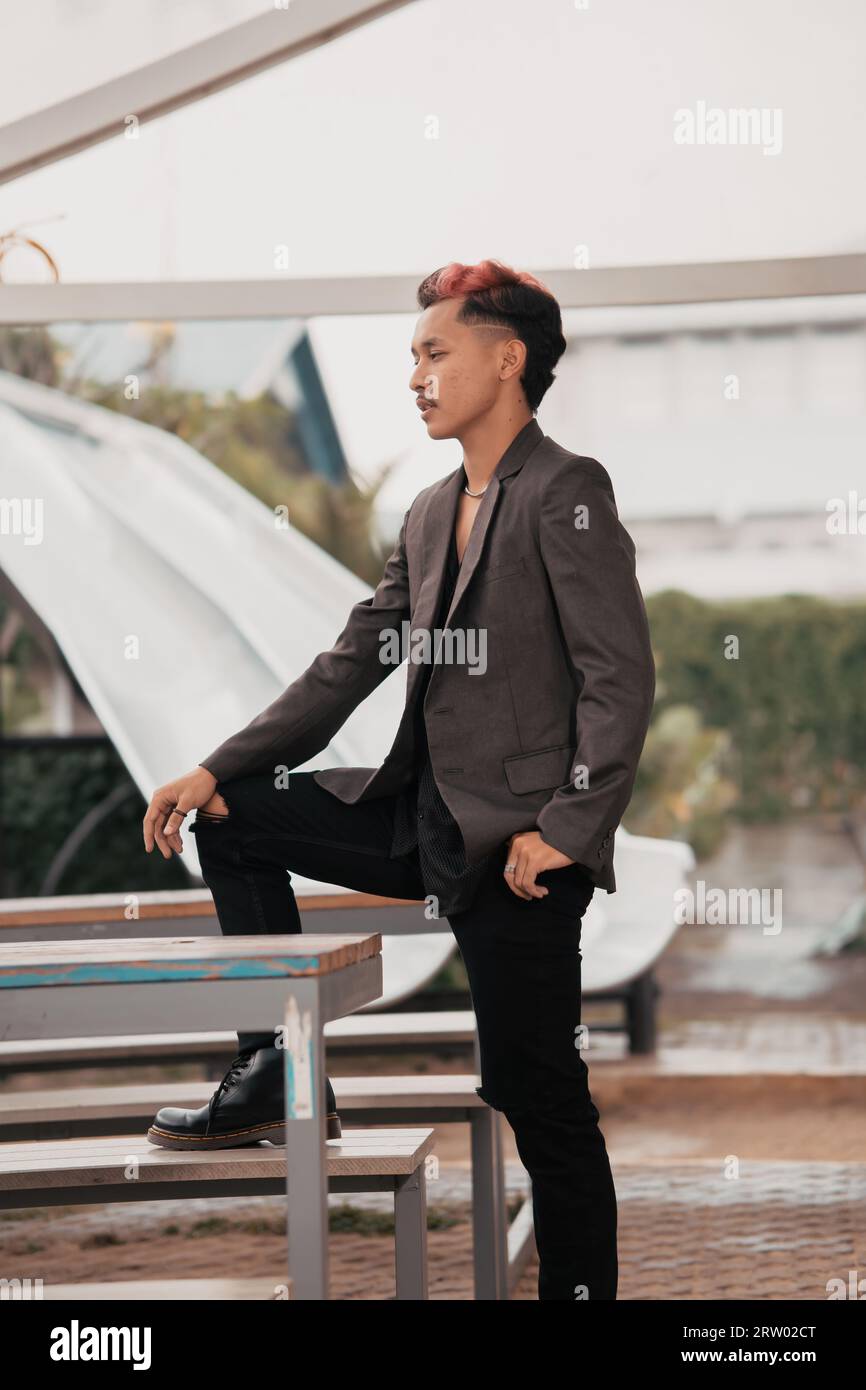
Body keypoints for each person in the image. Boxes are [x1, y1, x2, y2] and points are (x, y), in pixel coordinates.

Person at [142, 258, 656, 1300]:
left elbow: (619, 678)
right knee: (232, 820)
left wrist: (566, 825)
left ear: (504, 359)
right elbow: (345, 666)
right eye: (409, 357)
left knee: (537, 1091)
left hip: (517, 848)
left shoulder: (566, 492)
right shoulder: (427, 513)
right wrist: (212, 766)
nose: (414, 375)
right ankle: (276, 1064)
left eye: (434, 352)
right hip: (416, 817)